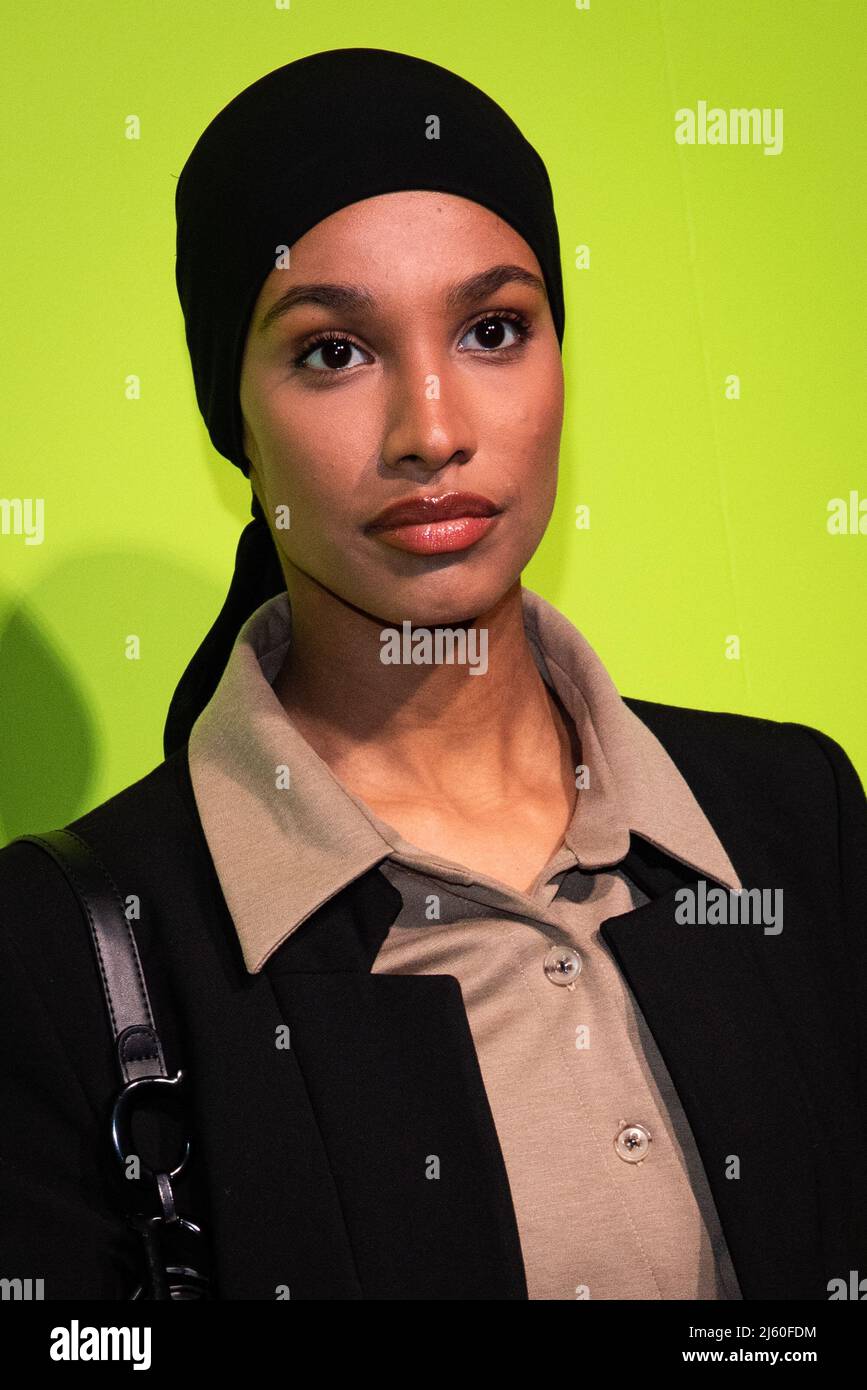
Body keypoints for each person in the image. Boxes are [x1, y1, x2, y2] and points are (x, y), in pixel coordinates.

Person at [1, 47, 865, 1302]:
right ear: (230, 418)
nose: (435, 427)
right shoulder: (57, 951)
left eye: (494, 328)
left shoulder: (796, 819)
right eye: (334, 352)